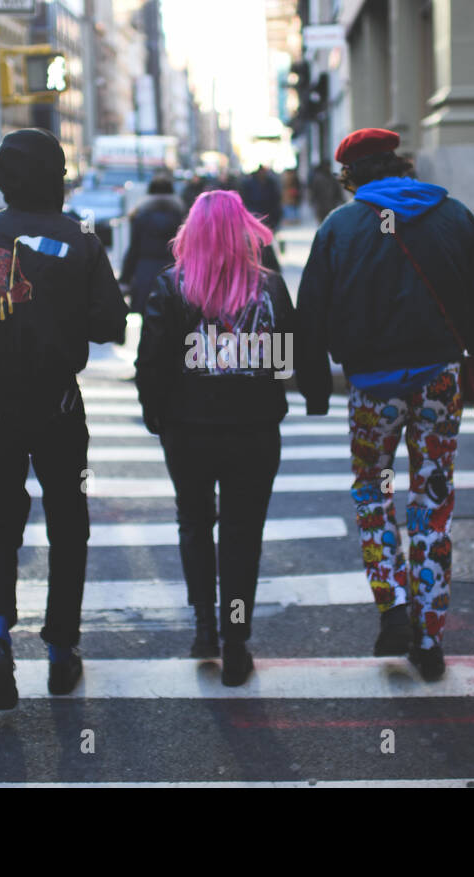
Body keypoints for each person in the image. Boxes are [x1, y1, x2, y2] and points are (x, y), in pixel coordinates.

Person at [296, 127, 474, 682]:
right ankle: (430, 638)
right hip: (440, 380)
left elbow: (309, 315)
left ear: (352, 178)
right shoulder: (453, 215)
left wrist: (316, 389)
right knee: (433, 505)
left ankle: (391, 605)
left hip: (371, 389)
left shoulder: (339, 228)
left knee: (373, 491)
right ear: (402, 165)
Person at [0, 128, 128, 708]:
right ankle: (62, 649)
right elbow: (110, 325)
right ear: (54, 178)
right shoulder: (80, 239)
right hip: (59, 407)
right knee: (68, 526)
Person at [135, 190, 299, 687]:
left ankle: (204, 627)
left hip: (187, 429)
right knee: (242, 535)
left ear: (194, 232)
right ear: (244, 231)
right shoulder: (269, 289)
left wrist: (155, 414)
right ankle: (235, 641)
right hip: (253, 429)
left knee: (194, 521)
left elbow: (151, 364)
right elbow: (284, 362)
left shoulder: (170, 286)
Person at [121, 173, 185, 314]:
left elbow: (133, 250)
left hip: (145, 272)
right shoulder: (180, 218)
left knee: (147, 318)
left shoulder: (140, 218)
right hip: (173, 273)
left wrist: (125, 280)